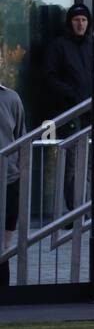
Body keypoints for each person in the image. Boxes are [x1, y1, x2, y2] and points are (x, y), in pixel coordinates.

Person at [44, 4, 94, 216]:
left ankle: (89, 212)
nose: (80, 24)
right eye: (76, 20)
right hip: (71, 116)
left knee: (89, 164)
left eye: (83, 20)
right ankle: (75, 213)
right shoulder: (59, 47)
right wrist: (72, 97)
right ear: (69, 22)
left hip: (93, 117)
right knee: (72, 165)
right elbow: (49, 78)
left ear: (88, 23)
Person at [0, 81, 25, 289]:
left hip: (8, 181)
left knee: (3, 247)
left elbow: (20, 137)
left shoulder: (11, 98)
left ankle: (5, 296)